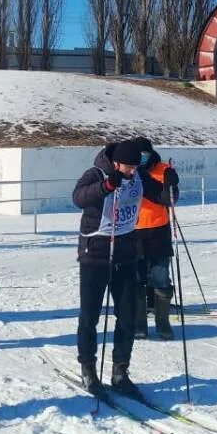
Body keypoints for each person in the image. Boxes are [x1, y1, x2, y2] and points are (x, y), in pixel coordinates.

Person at [71, 139, 146, 397]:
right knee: (90, 316)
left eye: (136, 167)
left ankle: (120, 371)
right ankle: (89, 370)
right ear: (116, 163)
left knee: (128, 316)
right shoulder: (95, 173)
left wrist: (171, 182)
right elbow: (78, 197)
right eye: (128, 167)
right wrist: (105, 186)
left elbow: (161, 195)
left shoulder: (136, 174)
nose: (133, 172)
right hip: (95, 255)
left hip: (125, 254)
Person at [132, 137, 180, 341]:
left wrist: (145, 178)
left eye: (145, 155)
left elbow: (167, 198)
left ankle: (163, 323)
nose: (142, 159)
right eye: (138, 156)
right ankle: (139, 324)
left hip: (158, 231)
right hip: (133, 232)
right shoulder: (128, 170)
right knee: (136, 280)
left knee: (160, 277)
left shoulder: (163, 170)